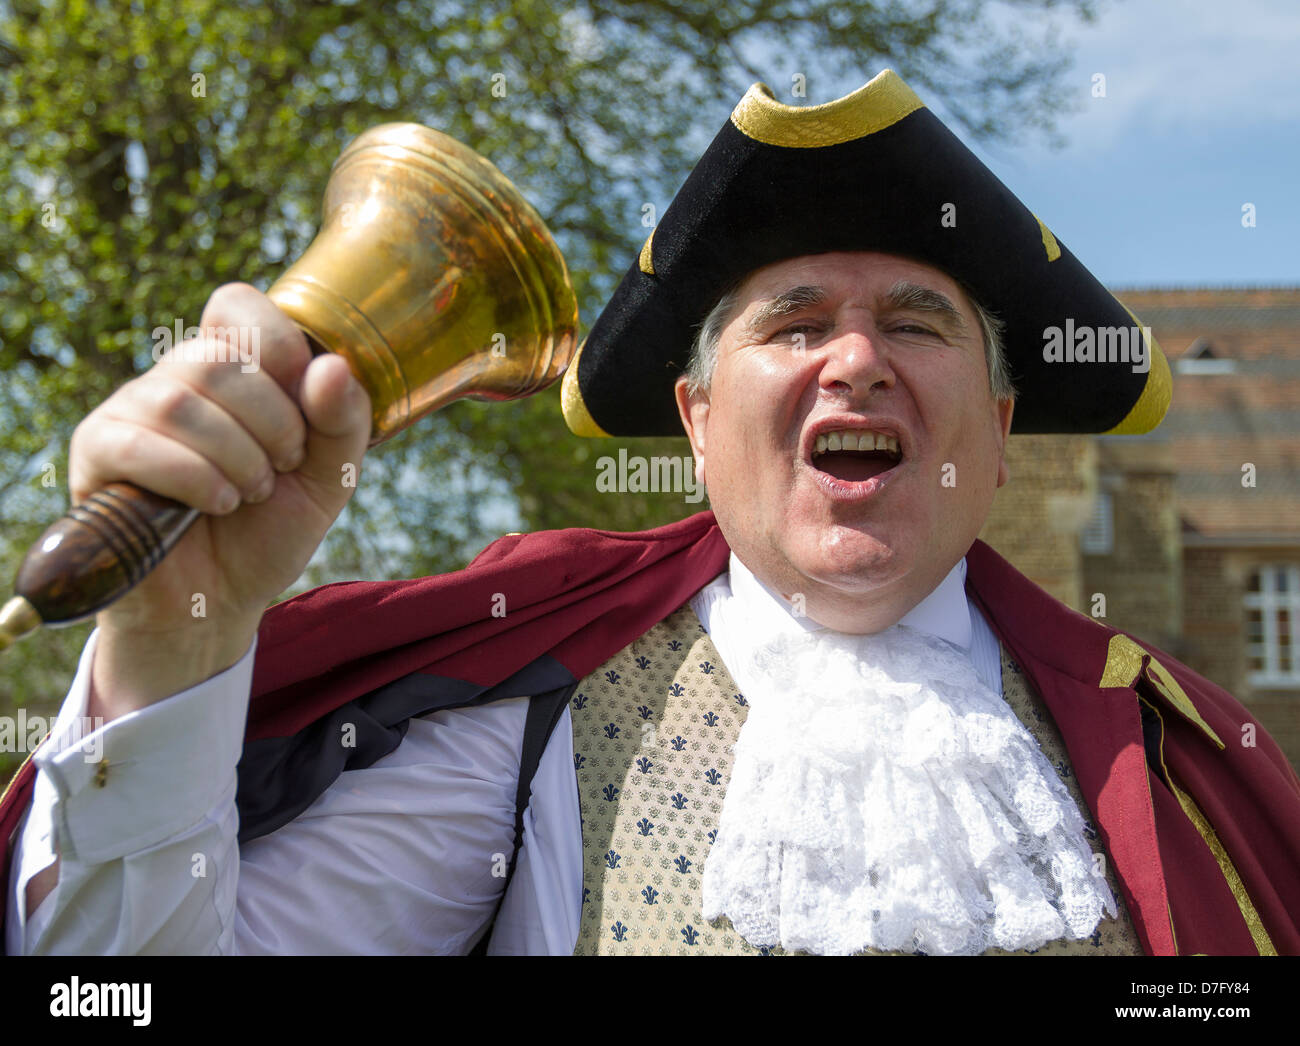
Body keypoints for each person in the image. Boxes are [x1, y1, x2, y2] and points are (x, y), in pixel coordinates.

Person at [3, 71, 1298, 956]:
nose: (854, 360)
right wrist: (178, 635)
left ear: (1002, 433)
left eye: (916, 322)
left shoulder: (1166, 760)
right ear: (693, 422)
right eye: (794, 324)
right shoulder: (528, 732)